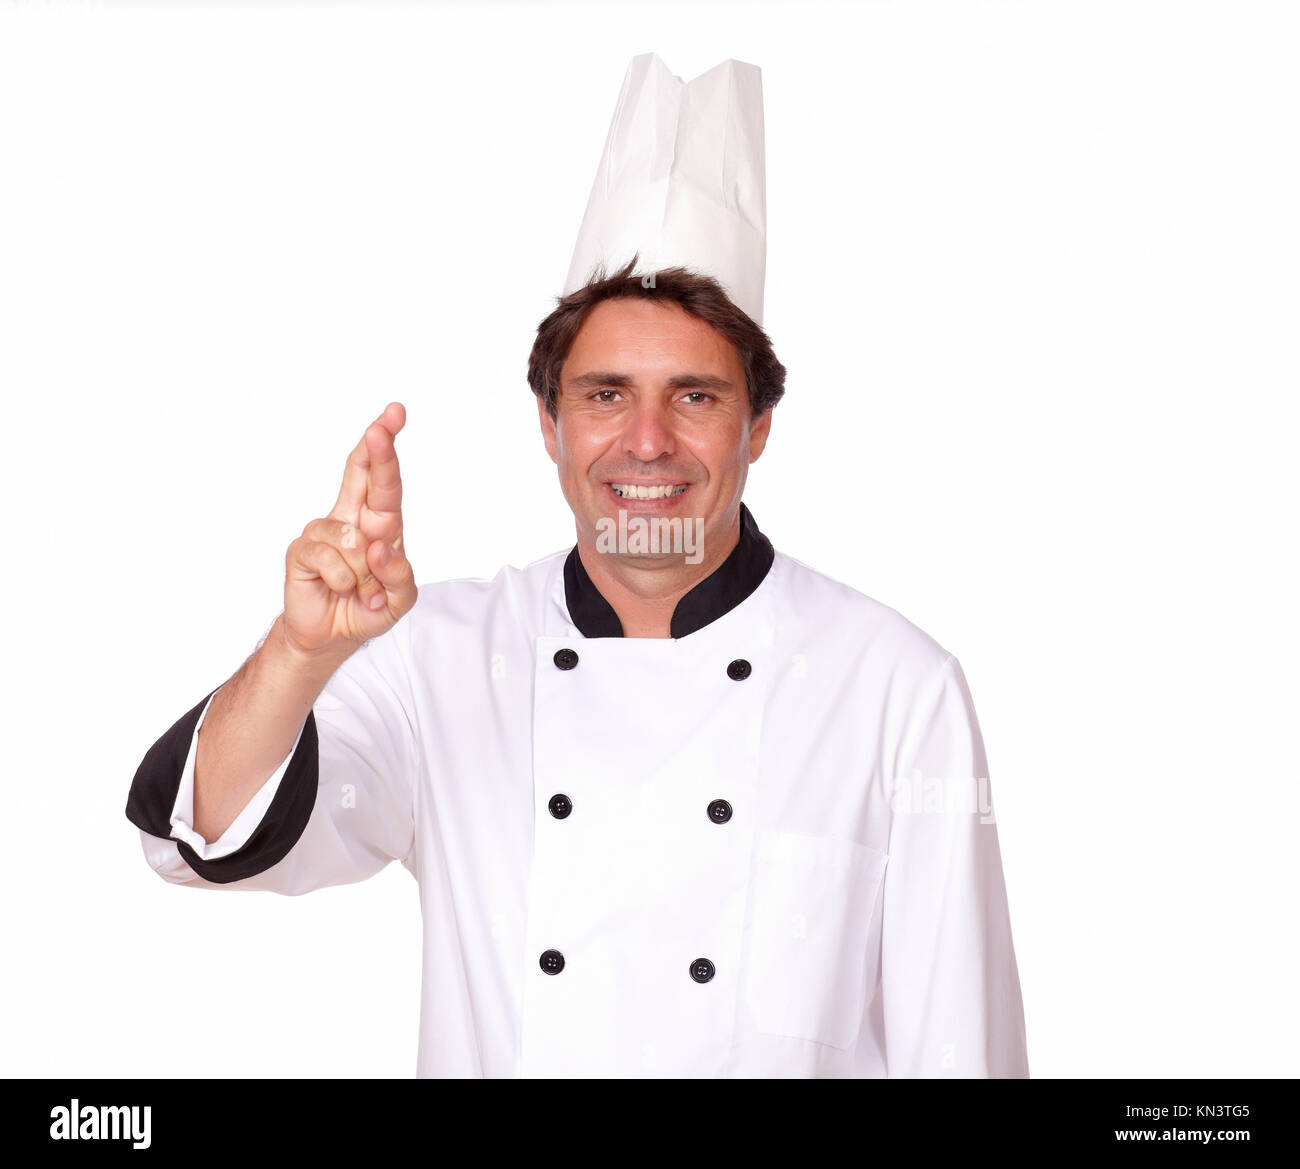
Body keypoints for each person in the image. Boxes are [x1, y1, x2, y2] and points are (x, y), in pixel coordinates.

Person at [126, 54, 1029, 1079]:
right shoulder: (440, 657)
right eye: (604, 395)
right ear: (549, 425)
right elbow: (206, 837)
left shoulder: (895, 686)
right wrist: (297, 651)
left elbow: (963, 1042)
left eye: (694, 397)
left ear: (759, 427)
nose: (645, 441)